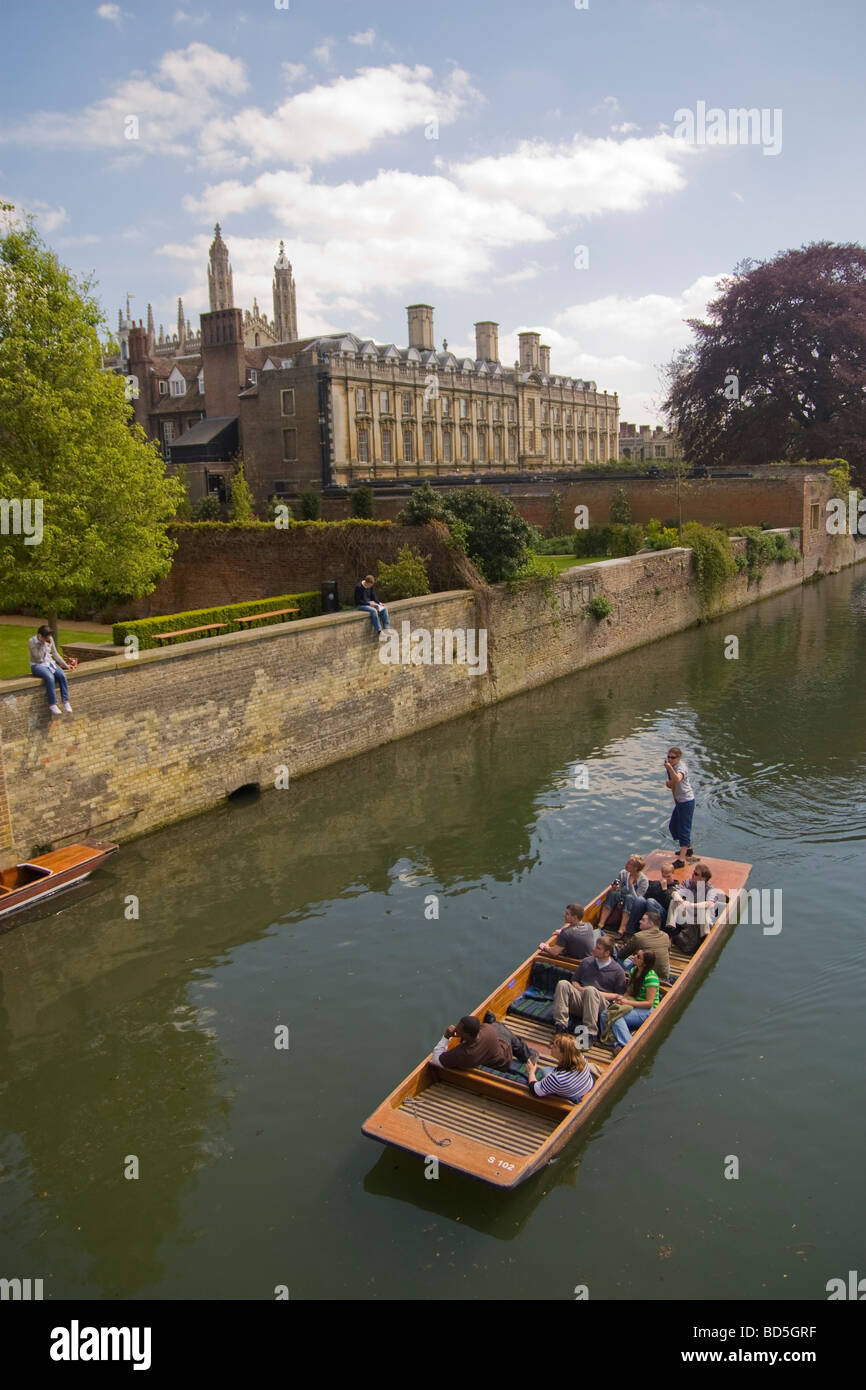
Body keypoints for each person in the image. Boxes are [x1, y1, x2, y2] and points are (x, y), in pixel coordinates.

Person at [552, 936, 627, 1041]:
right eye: (595, 946)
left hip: (600, 1006)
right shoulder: (587, 962)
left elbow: (619, 996)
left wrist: (594, 992)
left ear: (607, 953)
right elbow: (575, 981)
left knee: (591, 991)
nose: (593, 949)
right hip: (581, 1000)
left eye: (598, 948)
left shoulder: (618, 971)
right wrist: (581, 989)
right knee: (563, 984)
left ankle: (590, 1033)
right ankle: (561, 1026)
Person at [601, 948, 660, 1052]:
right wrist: (621, 999)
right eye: (636, 954)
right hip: (633, 1004)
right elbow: (628, 991)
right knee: (605, 1014)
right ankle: (612, 1042)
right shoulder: (633, 970)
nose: (635, 957)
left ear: (644, 963)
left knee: (617, 1018)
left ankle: (628, 1046)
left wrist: (627, 1002)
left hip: (648, 1011)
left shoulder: (651, 978)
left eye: (638, 957)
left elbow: (649, 1004)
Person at [525, 1032, 599, 1103]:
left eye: (554, 1047)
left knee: (545, 1070)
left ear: (563, 1053)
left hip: (573, 1096)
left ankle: (548, 1085)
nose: (551, 1047)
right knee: (547, 1072)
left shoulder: (557, 1078)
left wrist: (531, 1072)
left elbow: (535, 1090)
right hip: (586, 1087)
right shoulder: (581, 1059)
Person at [430, 1015, 512, 1071]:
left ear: (467, 1034)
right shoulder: (488, 1029)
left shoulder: (464, 1053)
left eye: (459, 1029)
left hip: (497, 1067)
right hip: (506, 1052)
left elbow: (436, 1061)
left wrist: (446, 1037)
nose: (456, 1028)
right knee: (497, 1026)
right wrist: (461, 1035)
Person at [28, 624, 77, 715]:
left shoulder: (50, 639)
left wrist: (66, 665)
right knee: (50, 678)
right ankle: (52, 704)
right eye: (46, 637)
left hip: (49, 664)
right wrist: (43, 646)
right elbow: (38, 658)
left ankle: (65, 701)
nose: (48, 639)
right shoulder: (32, 642)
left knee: (62, 675)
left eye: (49, 637)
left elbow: (55, 654)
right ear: (40, 636)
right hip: (37, 666)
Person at [615, 907, 672, 982]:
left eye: (643, 920)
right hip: (664, 976)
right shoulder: (666, 936)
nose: (640, 921)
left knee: (615, 954)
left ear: (651, 924)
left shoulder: (638, 936)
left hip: (645, 977)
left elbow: (621, 955)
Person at [621, 861, 678, 936]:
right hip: (649, 912)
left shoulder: (677, 888)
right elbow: (644, 891)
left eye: (668, 876)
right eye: (664, 876)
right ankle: (630, 930)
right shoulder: (656, 884)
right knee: (640, 900)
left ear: (673, 874)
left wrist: (664, 890)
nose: (666, 879)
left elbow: (670, 905)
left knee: (651, 901)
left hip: (664, 917)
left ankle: (653, 933)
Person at [669, 863, 725, 935]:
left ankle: (704, 938)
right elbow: (674, 893)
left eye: (696, 874)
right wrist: (681, 901)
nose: (693, 874)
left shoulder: (710, 889)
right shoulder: (687, 883)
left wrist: (691, 905)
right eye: (693, 872)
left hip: (701, 918)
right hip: (690, 914)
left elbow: (708, 903)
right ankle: (671, 932)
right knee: (674, 902)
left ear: (703, 879)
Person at [598, 855, 649, 933]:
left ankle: (622, 927)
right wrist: (615, 887)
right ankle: (601, 923)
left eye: (629, 864)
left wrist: (631, 884)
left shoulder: (644, 880)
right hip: (621, 896)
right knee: (612, 894)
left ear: (635, 868)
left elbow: (638, 899)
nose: (626, 865)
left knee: (629, 897)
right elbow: (617, 884)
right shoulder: (623, 873)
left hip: (633, 900)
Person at [665, 746, 696, 867]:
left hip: (687, 801)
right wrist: (670, 787)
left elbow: (677, 779)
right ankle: (687, 849)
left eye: (673, 757)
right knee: (673, 826)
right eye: (668, 757)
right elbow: (672, 784)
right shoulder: (670, 767)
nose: (670, 759)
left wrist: (669, 768)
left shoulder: (681, 767)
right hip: (679, 801)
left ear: (679, 757)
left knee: (684, 829)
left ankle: (682, 860)